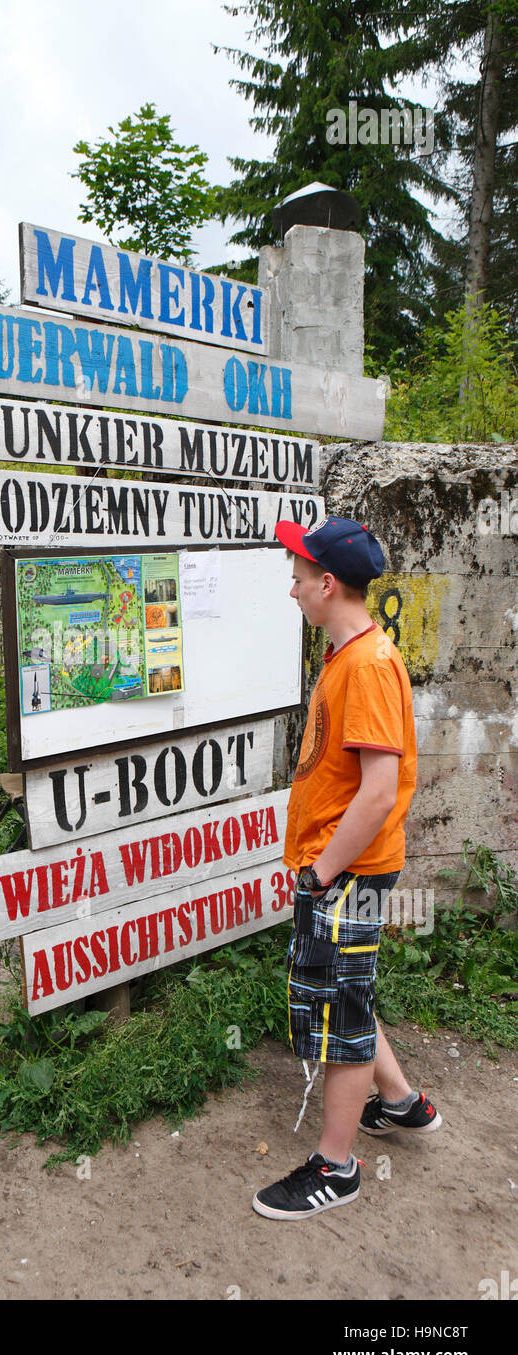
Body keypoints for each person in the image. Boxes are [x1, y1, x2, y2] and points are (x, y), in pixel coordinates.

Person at [252, 516, 440, 1221]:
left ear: (327, 584)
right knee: (348, 987)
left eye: (298, 578)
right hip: (344, 870)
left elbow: (379, 791)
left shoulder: (364, 666)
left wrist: (320, 873)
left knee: (340, 1009)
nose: (293, 588)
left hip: (346, 873)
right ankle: (400, 1102)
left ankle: (336, 1166)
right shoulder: (350, 654)